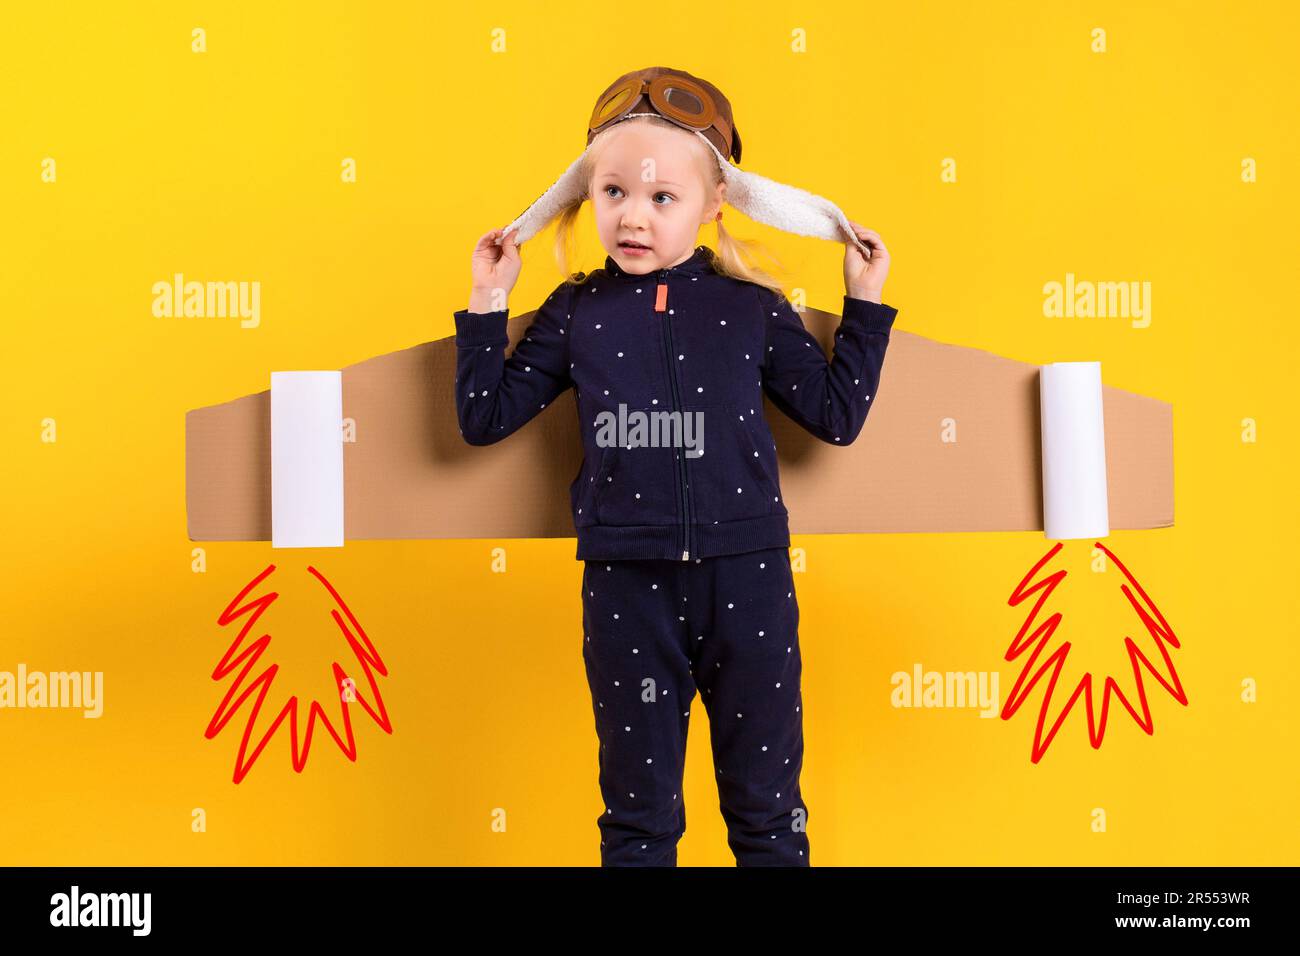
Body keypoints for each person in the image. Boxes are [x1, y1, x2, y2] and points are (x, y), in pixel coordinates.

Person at [453, 67, 897, 866]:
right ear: (588, 200)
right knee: (638, 822)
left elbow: (836, 416)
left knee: (768, 818)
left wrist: (862, 303)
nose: (632, 217)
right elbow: (484, 419)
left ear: (713, 204)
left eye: (663, 198)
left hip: (748, 577)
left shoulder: (753, 308)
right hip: (628, 586)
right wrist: (489, 302)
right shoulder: (576, 311)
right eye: (614, 193)